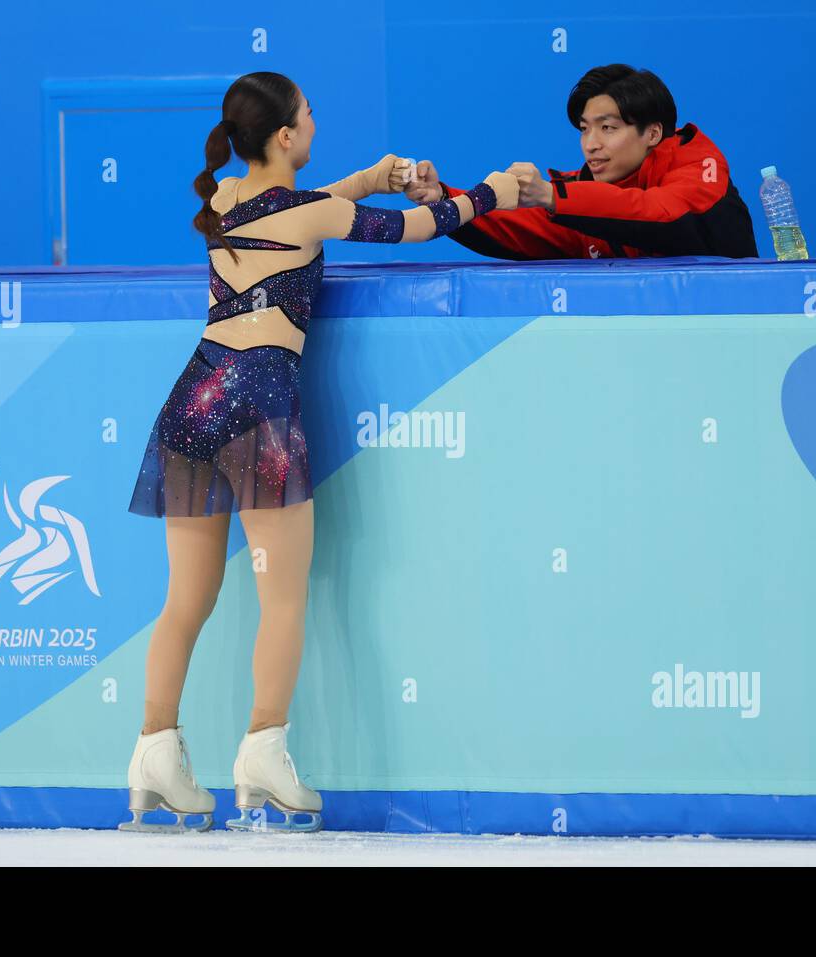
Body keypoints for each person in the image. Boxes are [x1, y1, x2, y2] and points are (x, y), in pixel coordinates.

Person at [123, 71, 519, 833]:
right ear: (284, 136)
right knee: (285, 596)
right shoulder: (307, 211)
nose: (315, 119)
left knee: (185, 601)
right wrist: (493, 191)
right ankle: (263, 749)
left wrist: (373, 176)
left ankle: (153, 754)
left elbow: (301, 210)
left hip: (193, 402)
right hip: (259, 409)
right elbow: (415, 230)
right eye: (308, 112)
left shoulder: (225, 202)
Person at [406, 64, 758, 260]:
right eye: (584, 129)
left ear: (652, 133)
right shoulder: (580, 196)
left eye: (607, 128)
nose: (591, 144)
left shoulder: (697, 162)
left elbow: (659, 212)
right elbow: (513, 227)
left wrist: (552, 196)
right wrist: (441, 198)